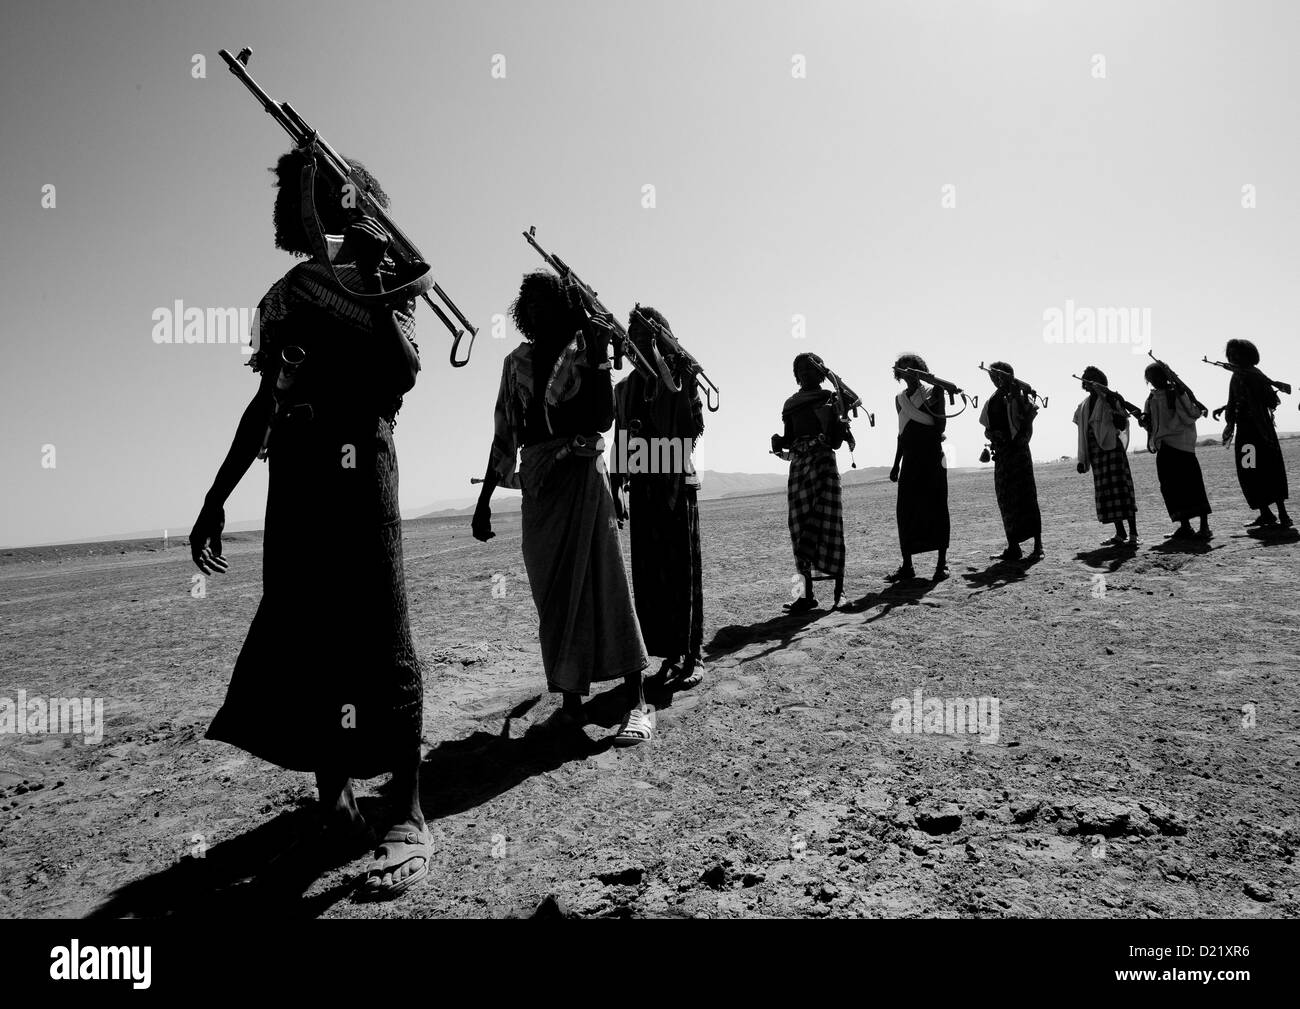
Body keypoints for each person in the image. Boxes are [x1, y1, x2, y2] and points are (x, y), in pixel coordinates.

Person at [189, 148, 430, 901]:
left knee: (381, 626)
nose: (325, 207)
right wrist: (216, 494)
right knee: (310, 632)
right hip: (294, 470)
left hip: (364, 465)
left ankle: (411, 809)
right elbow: (265, 402)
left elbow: (403, 373)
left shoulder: (392, 277)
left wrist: (382, 281)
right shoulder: (290, 292)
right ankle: (336, 802)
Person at [472, 271, 652, 745]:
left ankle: (637, 701)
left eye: (542, 301)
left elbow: (600, 418)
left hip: (583, 474)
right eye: (526, 304)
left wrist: (596, 359)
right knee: (552, 596)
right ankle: (571, 704)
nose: (533, 310)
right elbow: (504, 433)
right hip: (540, 486)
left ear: (564, 306)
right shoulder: (517, 363)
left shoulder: (586, 349)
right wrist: (484, 502)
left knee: (605, 580)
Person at [608, 307, 707, 690]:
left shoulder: (680, 377)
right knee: (651, 577)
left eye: (645, 335)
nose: (635, 343)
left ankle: (693, 655)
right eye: (631, 337)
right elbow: (622, 441)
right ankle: (668, 653)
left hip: (677, 485)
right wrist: (617, 487)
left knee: (682, 572)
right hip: (645, 490)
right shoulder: (625, 388)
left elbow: (689, 431)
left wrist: (677, 380)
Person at [771, 353, 848, 611]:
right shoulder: (790, 404)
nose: (804, 373)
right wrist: (778, 442)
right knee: (798, 527)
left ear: (820, 372)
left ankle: (840, 591)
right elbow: (790, 438)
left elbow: (836, 440)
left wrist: (834, 422)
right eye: (799, 370)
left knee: (831, 527)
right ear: (795, 375)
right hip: (800, 469)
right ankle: (805, 596)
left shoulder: (831, 398)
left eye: (809, 369)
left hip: (824, 466)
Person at [889, 354, 950, 582]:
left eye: (914, 368)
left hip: (932, 457)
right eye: (904, 369)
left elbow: (940, 425)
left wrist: (930, 404)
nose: (909, 372)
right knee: (906, 511)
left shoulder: (935, 392)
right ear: (899, 373)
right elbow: (901, 432)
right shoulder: (899, 399)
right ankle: (908, 565)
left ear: (922, 371)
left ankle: (941, 564)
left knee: (937, 507)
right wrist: (896, 464)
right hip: (910, 460)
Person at [1219, 339, 1291, 528]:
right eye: (1231, 354)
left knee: (1269, 469)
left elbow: (1270, 401)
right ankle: (1265, 512)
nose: (1234, 357)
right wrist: (1225, 409)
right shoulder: (1239, 376)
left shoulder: (1254, 375)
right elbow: (1235, 400)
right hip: (1246, 431)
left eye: (1237, 354)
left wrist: (1252, 385)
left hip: (1260, 431)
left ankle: (1282, 513)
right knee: (1250, 471)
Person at [979, 361, 1043, 560]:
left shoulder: (1020, 396)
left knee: (1027, 497)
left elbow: (1028, 419)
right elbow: (986, 426)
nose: (994, 379)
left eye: (997, 376)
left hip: (1019, 453)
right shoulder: (992, 400)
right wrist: (993, 435)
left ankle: (1038, 546)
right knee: (1006, 499)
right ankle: (1013, 547)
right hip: (1003, 455)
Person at [1141, 362, 1212, 540]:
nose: (1154, 381)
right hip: (1163, 447)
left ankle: (1204, 527)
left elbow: (1192, 414)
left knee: (1193, 485)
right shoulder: (1151, 399)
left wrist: (1183, 396)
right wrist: (1144, 420)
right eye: (1150, 378)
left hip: (1182, 445)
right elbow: (1150, 422)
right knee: (1170, 488)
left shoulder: (1177, 393)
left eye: (1156, 376)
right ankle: (1185, 526)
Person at [1073, 365, 1139, 547]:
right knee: (1107, 493)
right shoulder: (1083, 406)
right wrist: (1082, 459)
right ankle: (1120, 533)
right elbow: (1082, 430)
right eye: (1086, 379)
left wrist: (1110, 400)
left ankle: (1133, 533)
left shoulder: (1111, 399)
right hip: (1096, 454)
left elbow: (1121, 422)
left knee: (1122, 490)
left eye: (1092, 378)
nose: (1088, 382)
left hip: (1112, 450)